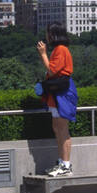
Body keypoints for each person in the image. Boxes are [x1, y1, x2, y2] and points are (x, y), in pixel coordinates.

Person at [37, 23, 76, 176]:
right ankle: (62, 162)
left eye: (48, 33)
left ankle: (66, 165)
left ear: (53, 34)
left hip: (62, 94)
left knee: (62, 130)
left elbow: (52, 70)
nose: (46, 36)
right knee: (57, 129)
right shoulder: (60, 50)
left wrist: (43, 54)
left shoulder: (60, 50)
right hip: (58, 94)